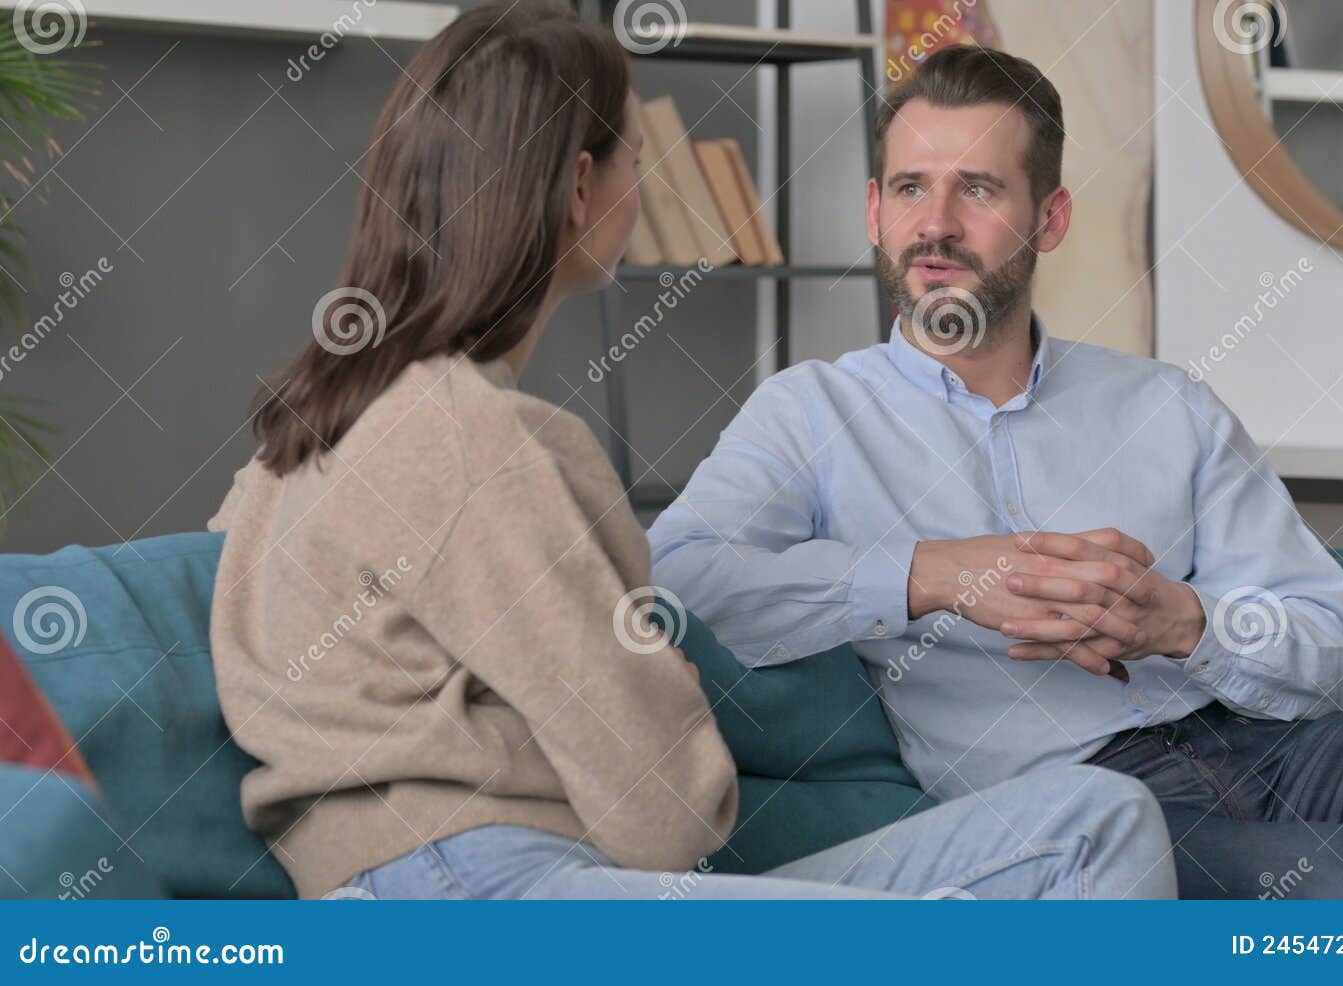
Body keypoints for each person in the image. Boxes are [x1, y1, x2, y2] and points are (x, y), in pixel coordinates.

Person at [206, 4, 1176, 902]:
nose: (643, 185)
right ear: (582, 187)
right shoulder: (477, 440)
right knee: (1098, 835)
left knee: (1091, 819)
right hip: (496, 891)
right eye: (634, 155)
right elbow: (659, 807)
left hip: (452, 885)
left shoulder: (311, 426)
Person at [648, 44, 1343, 899]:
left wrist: (1186, 625)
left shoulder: (1166, 406)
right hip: (1089, 808)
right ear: (872, 210)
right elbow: (678, 579)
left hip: (1275, 748)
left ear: (1049, 216)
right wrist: (931, 574)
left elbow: (1331, 649)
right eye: (909, 189)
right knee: (1337, 886)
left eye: (977, 189)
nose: (934, 225)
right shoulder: (812, 411)